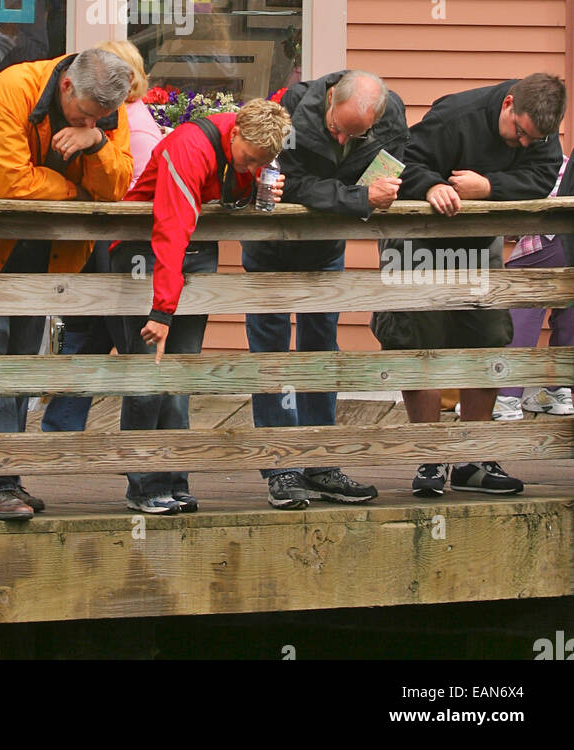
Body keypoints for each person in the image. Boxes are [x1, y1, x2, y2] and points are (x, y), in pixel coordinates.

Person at [0, 49, 133, 521]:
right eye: (84, 114)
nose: (92, 122)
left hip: (40, 255)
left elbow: (119, 184)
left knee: (21, 367)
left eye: (100, 118)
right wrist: (75, 192)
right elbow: (7, 181)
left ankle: (8, 476)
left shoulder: (105, 110)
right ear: (66, 87)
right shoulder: (11, 88)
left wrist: (96, 144)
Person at [373, 72, 565, 497]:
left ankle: (472, 458)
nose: (524, 145)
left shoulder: (540, 131)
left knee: (489, 340)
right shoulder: (454, 114)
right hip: (417, 243)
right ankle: (429, 457)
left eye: (534, 140)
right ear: (509, 103)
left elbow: (542, 178)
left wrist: (488, 186)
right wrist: (435, 185)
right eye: (520, 134)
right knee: (420, 344)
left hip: (477, 247)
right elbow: (401, 162)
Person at [112, 97, 292, 515]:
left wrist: (263, 192)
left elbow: (236, 186)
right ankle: (143, 485)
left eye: (261, 163)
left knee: (179, 377)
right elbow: (170, 231)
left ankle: (175, 478)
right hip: (147, 257)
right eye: (247, 159)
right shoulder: (189, 148)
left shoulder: (254, 147)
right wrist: (162, 311)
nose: (250, 169)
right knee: (147, 377)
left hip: (194, 256)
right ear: (235, 133)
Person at [244, 70, 408, 509]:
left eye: (353, 135)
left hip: (325, 248)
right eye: (337, 129)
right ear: (331, 99)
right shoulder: (292, 105)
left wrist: (378, 192)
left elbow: (389, 172)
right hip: (271, 247)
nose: (340, 142)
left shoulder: (392, 116)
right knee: (272, 351)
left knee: (321, 349)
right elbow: (288, 184)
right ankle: (281, 465)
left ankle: (320, 463)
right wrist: (357, 198)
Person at [40, 40, 163, 433]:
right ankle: (64, 428)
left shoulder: (132, 129)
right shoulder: (121, 121)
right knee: (92, 341)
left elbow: (125, 192)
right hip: (108, 253)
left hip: (119, 253)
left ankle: (63, 429)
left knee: (89, 341)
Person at [490, 156, 574, 420]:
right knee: (569, 305)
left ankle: (505, 396)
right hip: (564, 223)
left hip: (555, 226)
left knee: (521, 298)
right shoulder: (549, 151)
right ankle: (558, 390)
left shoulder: (510, 148)